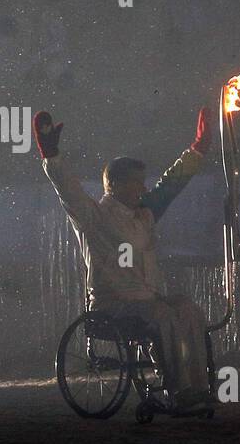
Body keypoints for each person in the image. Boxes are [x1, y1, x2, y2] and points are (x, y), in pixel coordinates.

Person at [34, 107, 215, 414]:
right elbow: (67, 189)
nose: (144, 189)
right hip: (112, 303)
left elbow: (171, 184)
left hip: (147, 298)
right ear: (115, 186)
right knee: (163, 317)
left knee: (189, 311)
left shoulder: (143, 214)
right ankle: (180, 389)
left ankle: (198, 387)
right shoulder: (95, 216)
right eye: (136, 183)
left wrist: (198, 149)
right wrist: (51, 154)